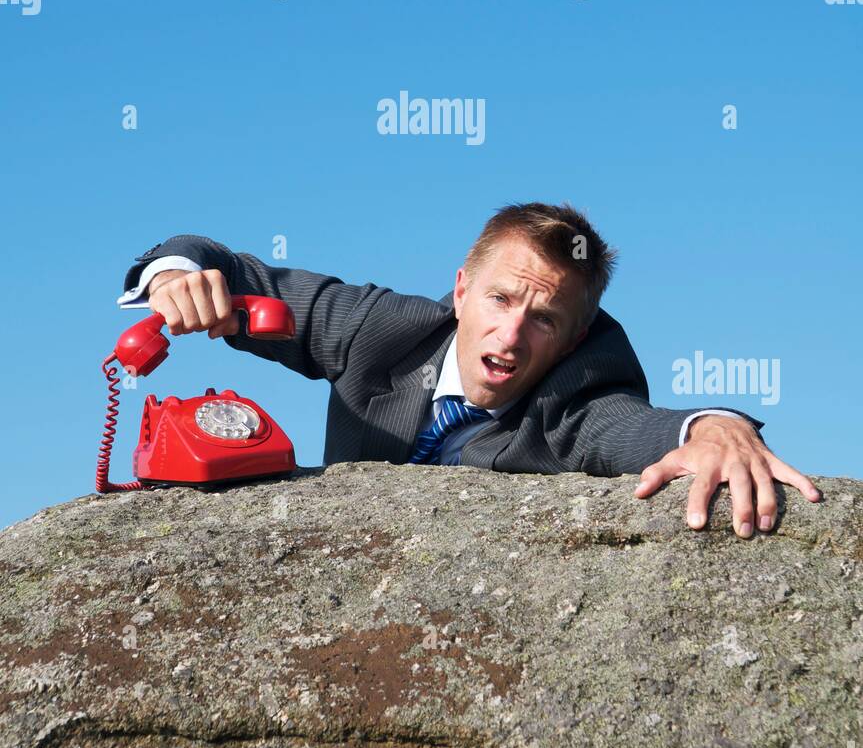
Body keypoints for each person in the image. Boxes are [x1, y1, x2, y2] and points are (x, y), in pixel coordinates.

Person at [117, 201, 820, 538]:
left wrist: (717, 428)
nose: (510, 334)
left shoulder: (574, 402)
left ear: (573, 341)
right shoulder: (378, 330)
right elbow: (226, 263)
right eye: (500, 299)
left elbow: (632, 428)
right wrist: (178, 277)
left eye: (543, 319)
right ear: (460, 291)